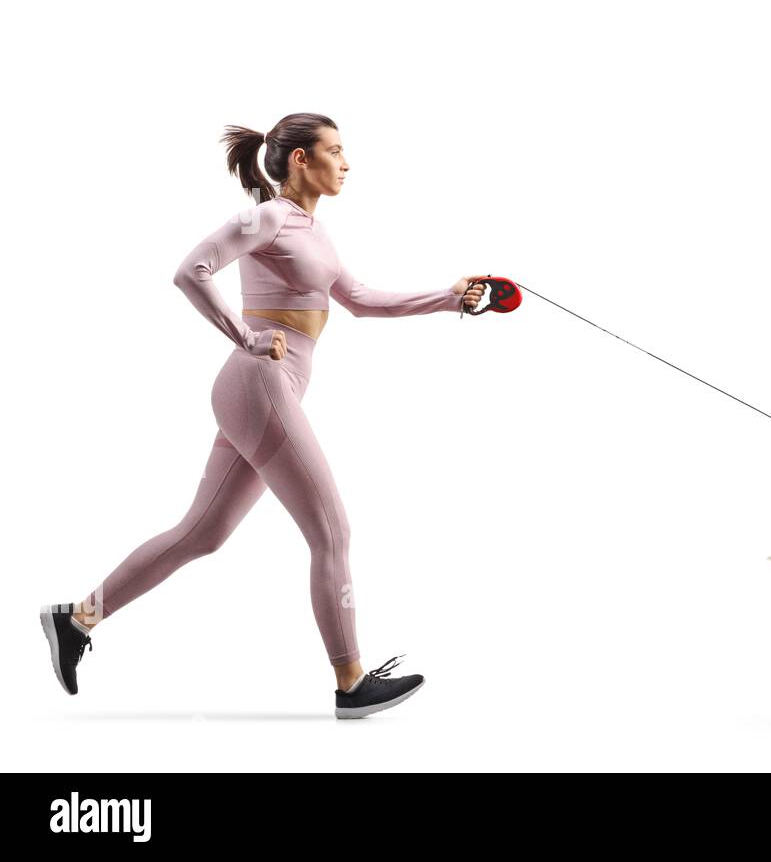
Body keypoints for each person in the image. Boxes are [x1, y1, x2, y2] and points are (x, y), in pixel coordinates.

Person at [40, 112, 487, 719]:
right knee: (332, 532)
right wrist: (245, 335)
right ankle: (351, 683)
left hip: (267, 391)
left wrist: (447, 297)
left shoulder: (316, 234)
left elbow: (360, 302)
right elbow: (189, 271)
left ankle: (76, 620)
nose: (347, 162)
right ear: (301, 159)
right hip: (260, 383)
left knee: (202, 534)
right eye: (335, 150)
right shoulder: (270, 215)